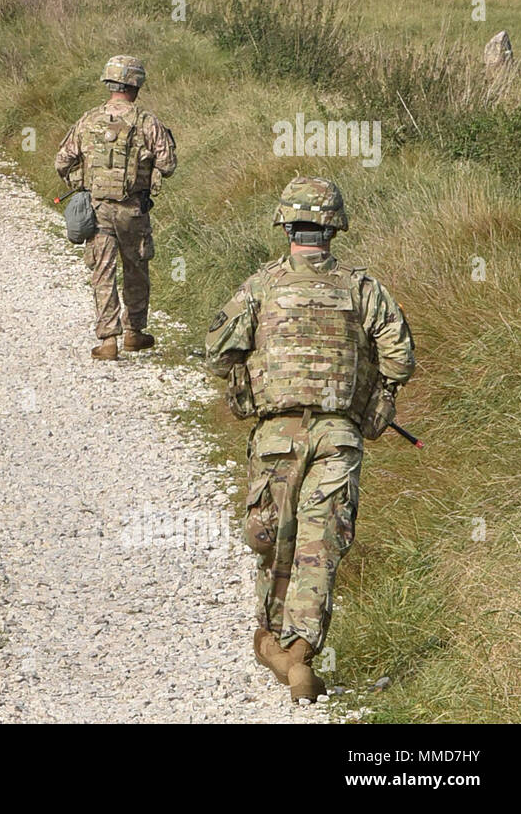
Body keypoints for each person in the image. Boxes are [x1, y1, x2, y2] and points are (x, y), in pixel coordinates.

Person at [204, 176, 415, 702]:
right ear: (333, 229)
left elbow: (217, 354)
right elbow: (400, 359)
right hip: (338, 436)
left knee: (275, 537)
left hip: (276, 434)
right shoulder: (363, 289)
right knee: (319, 545)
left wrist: (246, 380)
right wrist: (374, 389)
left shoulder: (259, 286)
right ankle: (298, 653)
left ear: (286, 226)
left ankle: (274, 640)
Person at [54, 56, 176, 359]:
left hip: (97, 209)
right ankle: (134, 333)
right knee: (136, 269)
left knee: (103, 271)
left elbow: (62, 160)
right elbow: (168, 164)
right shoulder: (147, 122)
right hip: (133, 210)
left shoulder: (88, 120)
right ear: (135, 85)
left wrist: (80, 182)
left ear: (109, 83)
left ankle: (108, 339)